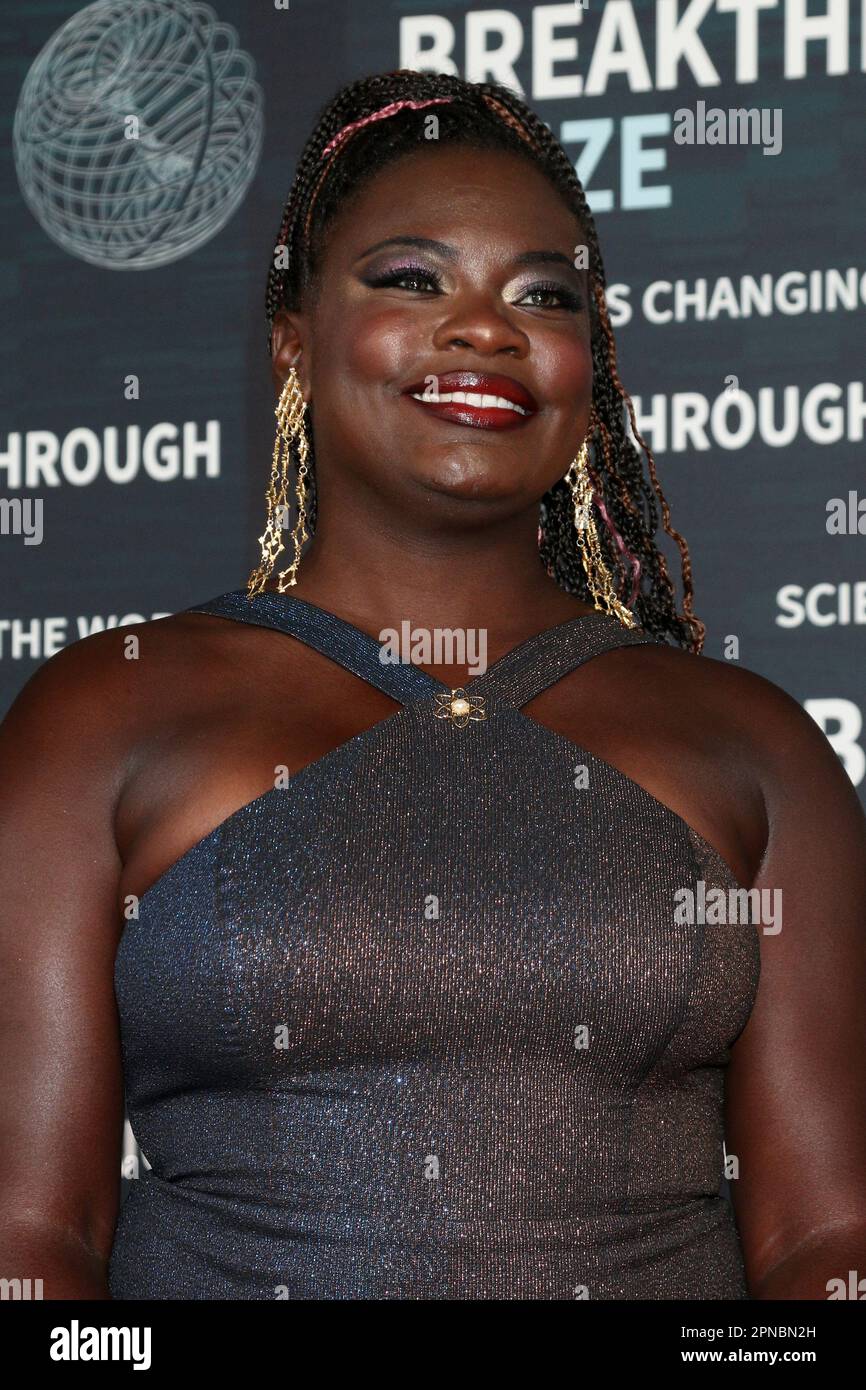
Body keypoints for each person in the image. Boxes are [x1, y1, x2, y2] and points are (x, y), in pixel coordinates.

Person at [1, 70, 864, 1301]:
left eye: (543, 296)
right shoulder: (100, 717)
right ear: (293, 339)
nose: (484, 327)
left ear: (589, 364)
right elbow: (31, 1240)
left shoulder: (755, 747)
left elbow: (822, 1240)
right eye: (412, 279)